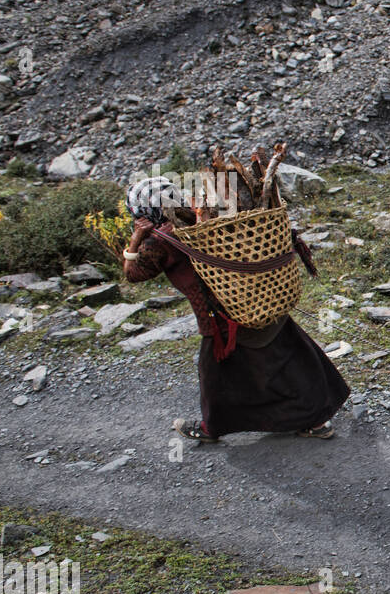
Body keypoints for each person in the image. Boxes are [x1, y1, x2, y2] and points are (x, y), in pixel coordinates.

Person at [121, 176, 350, 443]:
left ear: (144, 213)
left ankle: (212, 428)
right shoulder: (199, 219)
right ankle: (317, 418)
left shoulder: (158, 243)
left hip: (220, 318)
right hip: (254, 296)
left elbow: (133, 274)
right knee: (289, 355)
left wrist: (136, 238)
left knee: (216, 375)